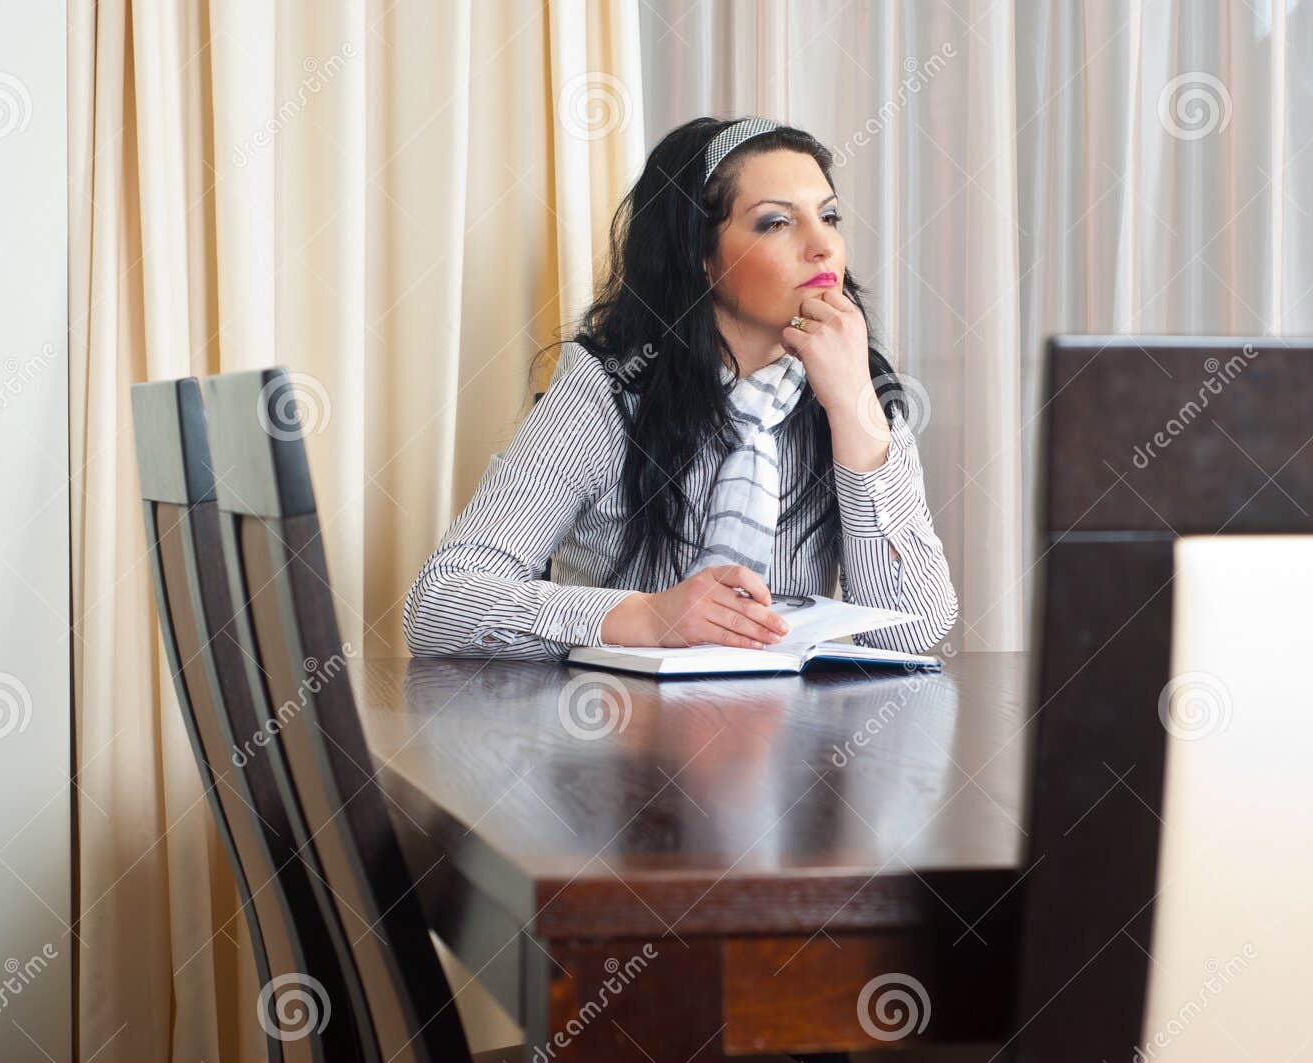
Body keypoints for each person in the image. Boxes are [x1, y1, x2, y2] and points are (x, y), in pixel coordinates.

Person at [403, 115, 958, 660]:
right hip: (616, 732)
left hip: (790, 736)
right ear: (702, 258)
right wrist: (645, 618)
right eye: (775, 223)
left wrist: (851, 403)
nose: (822, 248)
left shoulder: (857, 390)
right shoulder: (607, 388)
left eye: (829, 217)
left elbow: (909, 630)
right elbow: (441, 603)